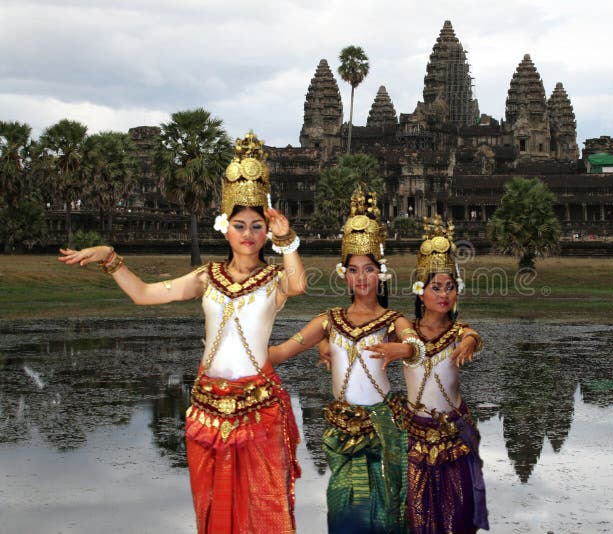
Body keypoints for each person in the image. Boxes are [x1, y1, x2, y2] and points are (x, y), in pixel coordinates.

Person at [58, 131, 306, 534]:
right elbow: (143, 294)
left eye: (257, 226)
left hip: (259, 408)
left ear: (266, 232)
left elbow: (297, 286)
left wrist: (287, 240)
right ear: (224, 228)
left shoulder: (272, 279)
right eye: (239, 225)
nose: (248, 234)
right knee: (213, 514)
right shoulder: (205, 277)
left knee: (264, 510)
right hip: (206, 410)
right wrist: (110, 258)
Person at [269, 188, 421, 533]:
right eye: (354, 270)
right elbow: (281, 352)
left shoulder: (392, 321)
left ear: (380, 273)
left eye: (368, 269)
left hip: (382, 427)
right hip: (343, 426)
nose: (362, 278)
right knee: (344, 508)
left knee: (383, 510)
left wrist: (404, 348)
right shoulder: (329, 320)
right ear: (344, 274)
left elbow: (414, 344)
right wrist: (238, 352)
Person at [369, 214, 489, 533]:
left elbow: (473, 336)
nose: (444, 294)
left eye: (450, 287)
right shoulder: (405, 332)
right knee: (418, 515)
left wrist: (468, 343)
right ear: (421, 292)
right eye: (436, 287)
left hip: (453, 433)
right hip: (416, 434)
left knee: (458, 513)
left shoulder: (458, 332)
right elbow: (386, 342)